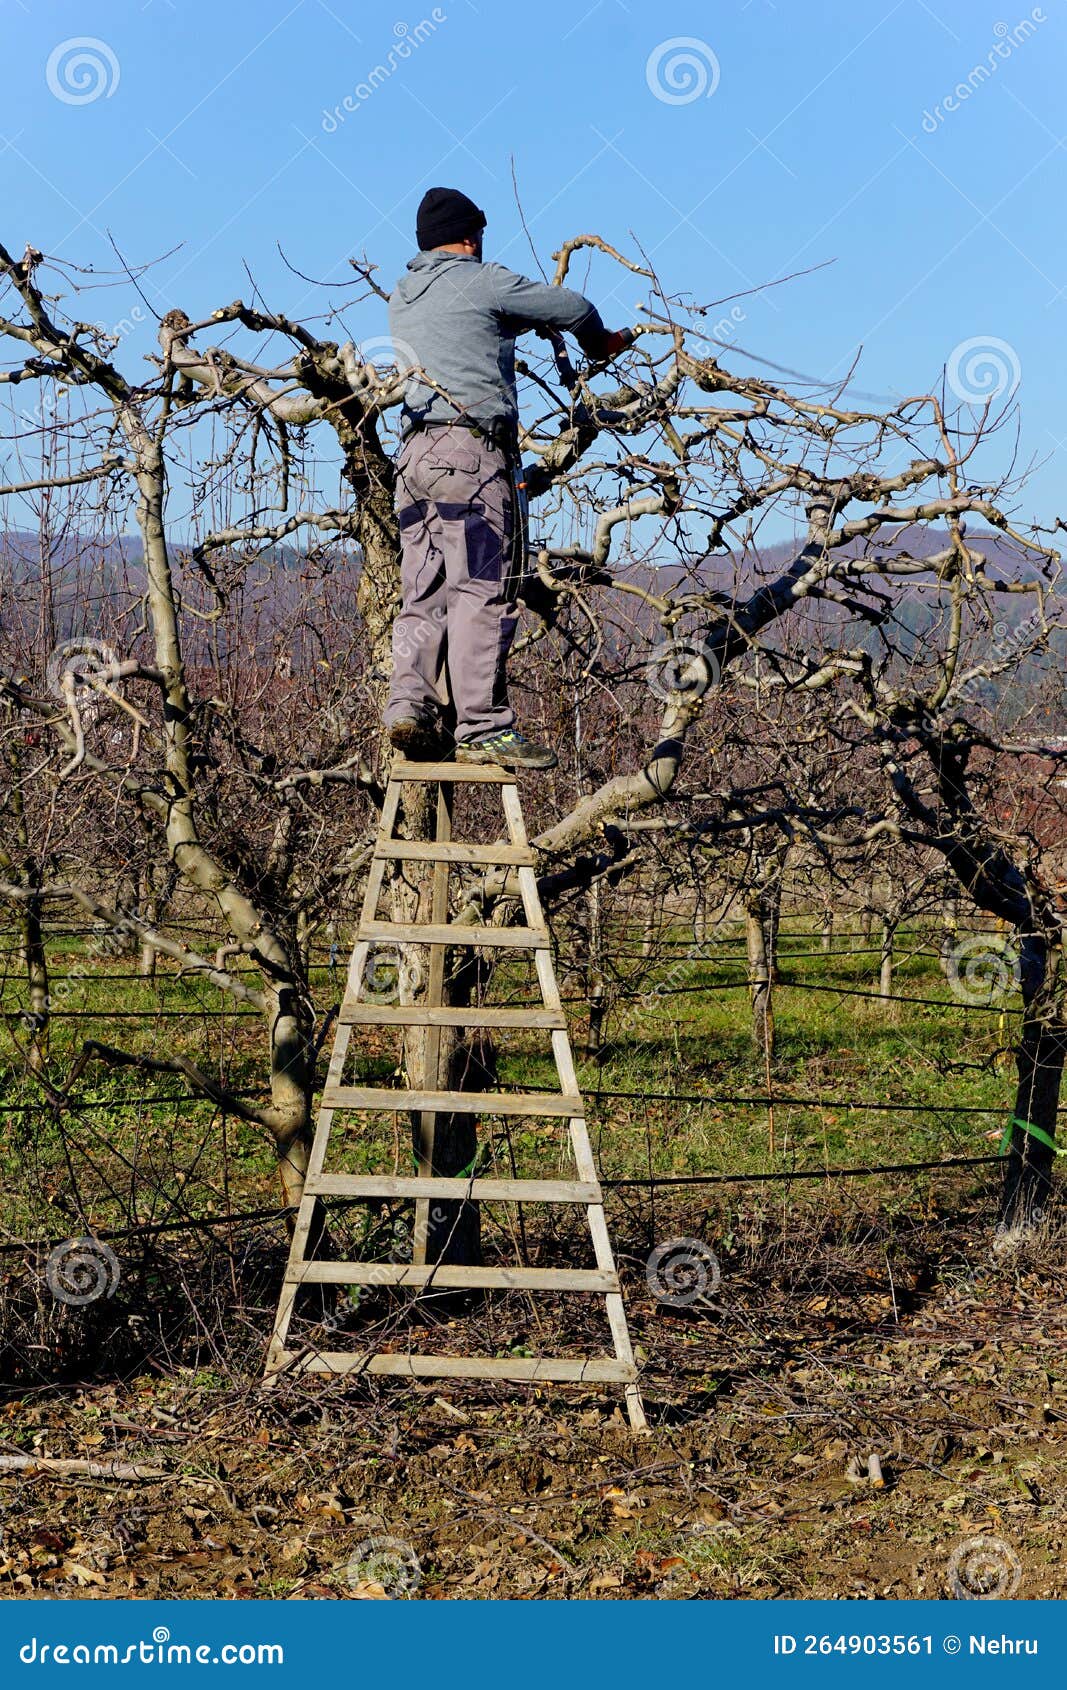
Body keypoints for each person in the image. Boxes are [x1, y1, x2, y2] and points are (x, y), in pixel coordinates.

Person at [383, 186, 633, 770]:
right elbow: (572, 308)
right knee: (482, 588)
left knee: (423, 594)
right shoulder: (484, 278)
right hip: (471, 458)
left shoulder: (403, 294)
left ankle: (407, 706)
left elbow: (464, 328)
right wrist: (602, 344)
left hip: (413, 462)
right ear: (470, 235)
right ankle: (483, 727)